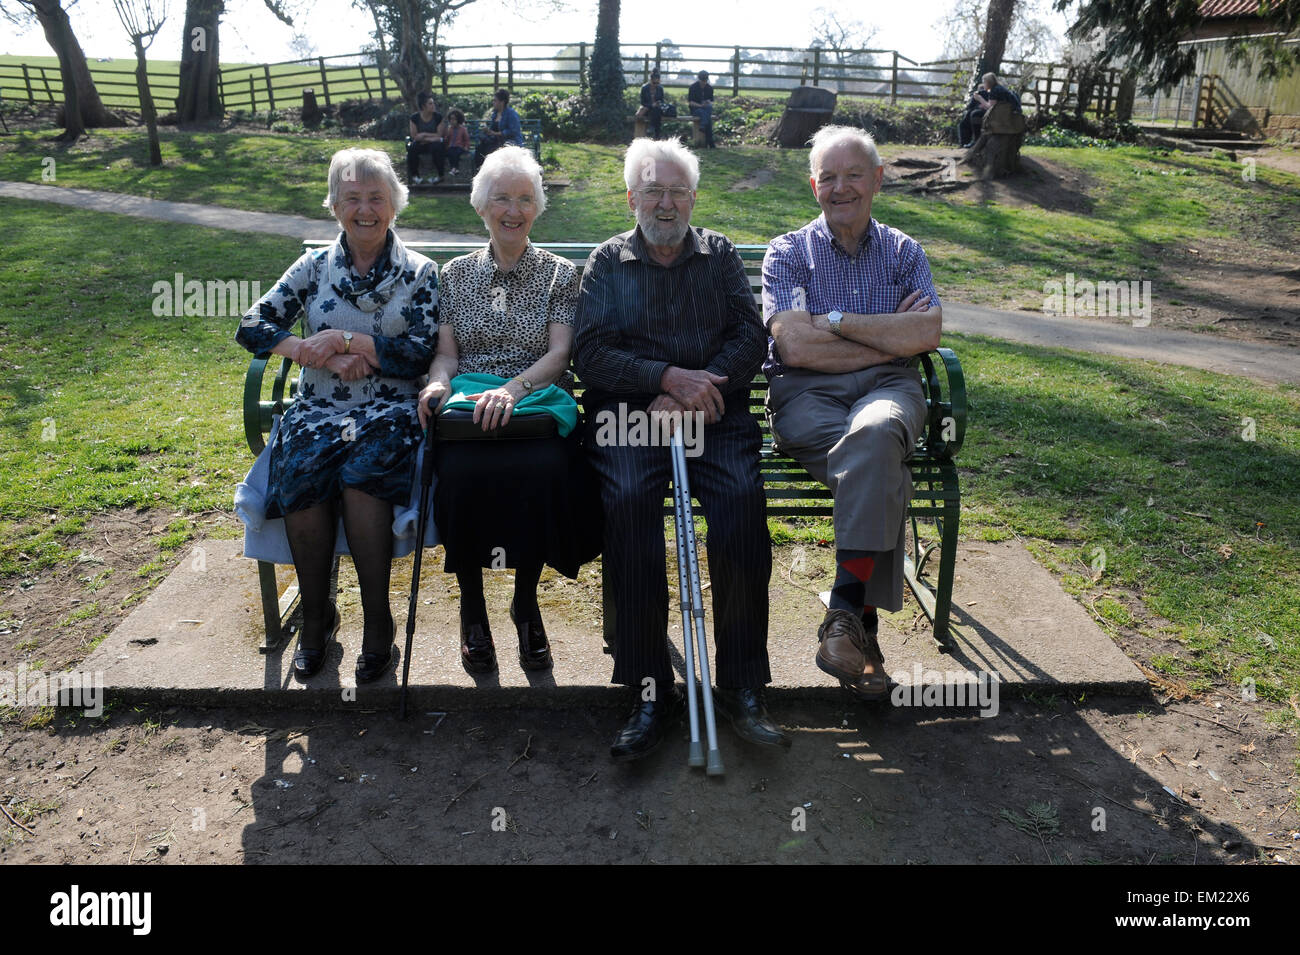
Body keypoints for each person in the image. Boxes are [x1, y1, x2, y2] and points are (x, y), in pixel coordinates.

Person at [574, 137, 785, 761]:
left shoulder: (717, 256)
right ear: (632, 195)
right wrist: (664, 379)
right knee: (632, 503)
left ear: (692, 197)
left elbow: (750, 339)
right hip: (630, 416)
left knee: (742, 503)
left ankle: (743, 685)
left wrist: (698, 388)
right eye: (653, 190)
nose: (666, 203)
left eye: (677, 191)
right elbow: (590, 352)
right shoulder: (608, 261)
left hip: (713, 412)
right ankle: (647, 689)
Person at [236, 148, 437, 684]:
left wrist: (354, 342)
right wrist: (306, 350)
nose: (366, 209)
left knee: (363, 482)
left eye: (377, 197)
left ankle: (378, 624)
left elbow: (420, 352)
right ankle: (318, 619)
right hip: (317, 408)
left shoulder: (419, 273)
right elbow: (252, 324)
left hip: (389, 409)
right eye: (353, 198)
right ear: (334, 205)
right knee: (301, 472)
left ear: (394, 204)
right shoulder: (313, 267)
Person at [761, 125, 941, 701]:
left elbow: (929, 330)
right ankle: (862, 627)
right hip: (805, 396)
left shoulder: (905, 252)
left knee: (880, 431)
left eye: (853, 175)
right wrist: (892, 337)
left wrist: (832, 322)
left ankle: (843, 611)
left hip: (886, 391)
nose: (841, 188)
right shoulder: (787, 253)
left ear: (878, 181)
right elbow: (794, 347)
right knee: (878, 455)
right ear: (814, 185)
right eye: (828, 177)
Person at [418, 145, 602, 675]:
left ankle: (525, 602)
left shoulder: (560, 274)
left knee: (544, 469)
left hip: (535, 402)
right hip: (470, 404)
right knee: (459, 474)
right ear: (481, 205)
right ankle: (472, 606)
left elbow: (561, 352)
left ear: (537, 208)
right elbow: (447, 355)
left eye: (525, 199)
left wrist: (514, 390)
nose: (513, 210)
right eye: (502, 198)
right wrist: (435, 385)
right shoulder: (452, 275)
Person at [958, 72, 1022, 148]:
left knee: (975, 114)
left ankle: (976, 141)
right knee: (974, 113)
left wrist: (980, 99)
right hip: (1007, 113)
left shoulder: (994, 90)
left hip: (1007, 116)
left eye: (984, 82)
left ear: (988, 82)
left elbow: (991, 108)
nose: (983, 84)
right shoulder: (997, 88)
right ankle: (971, 141)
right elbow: (994, 106)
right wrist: (984, 105)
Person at [473, 88, 524, 171]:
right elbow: (493, 129)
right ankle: (481, 171)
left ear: (502, 102)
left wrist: (496, 133)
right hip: (497, 140)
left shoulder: (511, 114)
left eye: (495, 101)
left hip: (510, 141)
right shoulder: (495, 114)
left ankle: (494, 172)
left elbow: (513, 131)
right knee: (480, 148)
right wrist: (487, 130)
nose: (493, 103)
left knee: (494, 150)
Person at [407, 91, 446, 185]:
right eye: (430, 104)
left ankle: (440, 176)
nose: (433, 105)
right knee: (412, 148)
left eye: (433, 103)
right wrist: (430, 136)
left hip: (432, 143)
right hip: (421, 144)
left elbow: (439, 135)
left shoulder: (438, 117)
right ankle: (415, 177)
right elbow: (414, 136)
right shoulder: (414, 118)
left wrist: (424, 135)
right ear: (424, 106)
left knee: (437, 147)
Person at [687, 70, 716, 148]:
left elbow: (711, 101)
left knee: (708, 109)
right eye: (702, 80)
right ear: (699, 79)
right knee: (706, 115)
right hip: (695, 109)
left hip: (706, 109)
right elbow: (690, 102)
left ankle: (703, 126)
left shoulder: (709, 88)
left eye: (705, 80)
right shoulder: (693, 87)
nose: (704, 82)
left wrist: (707, 102)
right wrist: (700, 105)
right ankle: (710, 141)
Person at [638, 68, 667, 139]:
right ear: (650, 81)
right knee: (655, 112)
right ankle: (657, 134)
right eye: (654, 83)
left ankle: (652, 128)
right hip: (647, 108)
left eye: (658, 83)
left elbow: (662, 100)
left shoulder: (660, 88)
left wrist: (658, 103)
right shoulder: (644, 88)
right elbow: (642, 102)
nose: (656, 85)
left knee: (656, 111)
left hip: (657, 109)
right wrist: (651, 105)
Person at [443, 108, 471, 176]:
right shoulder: (449, 129)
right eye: (451, 119)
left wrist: (466, 147)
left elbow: (466, 139)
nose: (452, 121)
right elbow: (446, 139)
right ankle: (455, 169)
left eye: (454, 119)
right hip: (451, 147)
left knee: (456, 152)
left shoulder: (463, 129)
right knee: (450, 152)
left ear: (458, 120)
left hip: (459, 147)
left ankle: (454, 168)